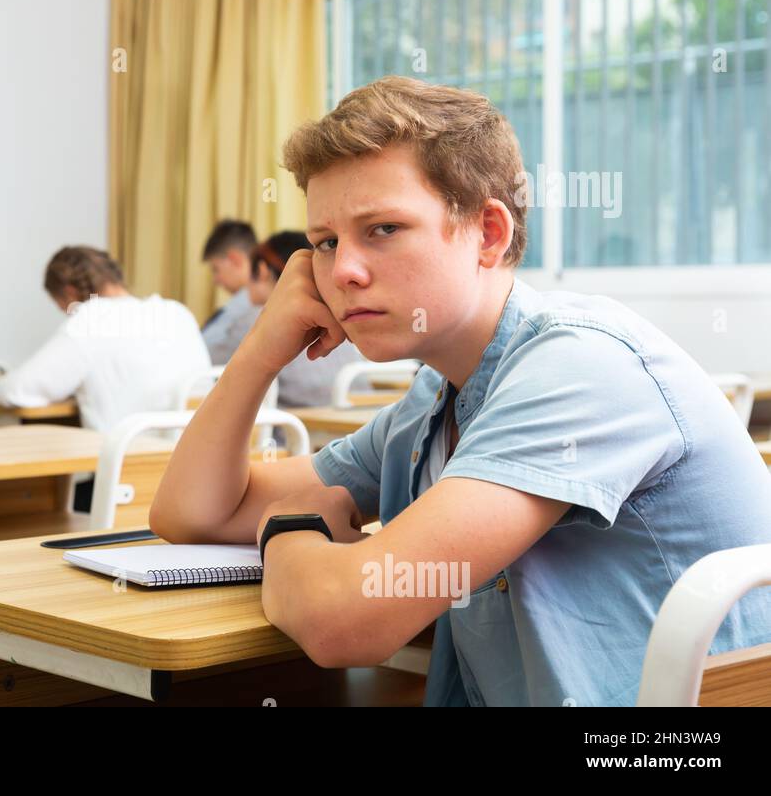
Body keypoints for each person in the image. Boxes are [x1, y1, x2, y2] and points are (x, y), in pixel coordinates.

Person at [148, 75, 771, 706]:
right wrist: (261, 349)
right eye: (326, 243)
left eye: (384, 229)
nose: (344, 272)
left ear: (489, 234)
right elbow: (194, 513)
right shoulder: (435, 398)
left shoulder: (580, 368)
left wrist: (290, 530)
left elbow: (347, 621)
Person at [0, 246, 211, 436]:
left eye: (62, 307)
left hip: (125, 471)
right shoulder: (177, 313)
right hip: (194, 465)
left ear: (69, 293)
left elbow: (18, 390)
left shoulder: (89, 320)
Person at [245, 231, 366, 407]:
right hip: (356, 413)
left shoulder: (255, 318)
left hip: (301, 429)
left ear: (262, 271)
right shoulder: (341, 312)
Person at [200, 219, 261, 364]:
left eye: (216, 269)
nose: (216, 280)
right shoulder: (240, 304)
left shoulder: (250, 307)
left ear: (235, 259)